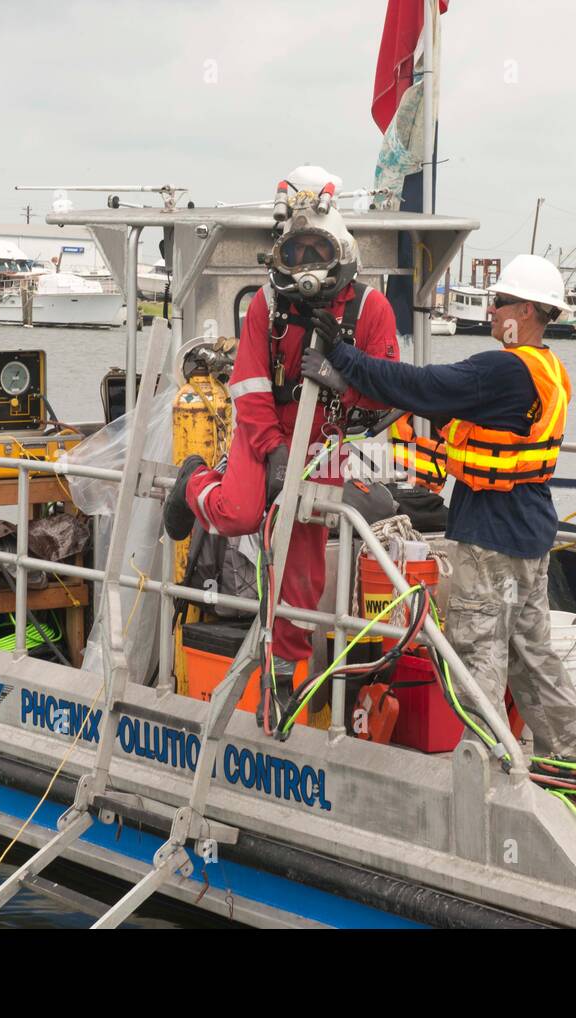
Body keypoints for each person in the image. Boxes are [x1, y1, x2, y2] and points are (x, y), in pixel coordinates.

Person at [301, 254, 576, 760]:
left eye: (499, 303)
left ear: (524, 310)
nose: (493, 312)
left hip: (490, 544)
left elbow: (423, 386)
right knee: (534, 658)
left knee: (479, 659)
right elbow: (440, 405)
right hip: (532, 538)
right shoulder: (551, 371)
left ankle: (485, 778)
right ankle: (568, 761)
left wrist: (345, 357)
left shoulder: (501, 368)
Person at [163, 166, 399, 730]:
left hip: (324, 436)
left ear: (338, 247)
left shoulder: (370, 311)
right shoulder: (266, 309)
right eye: (296, 250)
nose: (306, 261)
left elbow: (391, 390)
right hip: (263, 427)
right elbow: (246, 383)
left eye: (317, 248)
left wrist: (347, 380)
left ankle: (284, 679)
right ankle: (194, 479)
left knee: (302, 564)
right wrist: (269, 448)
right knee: (240, 511)